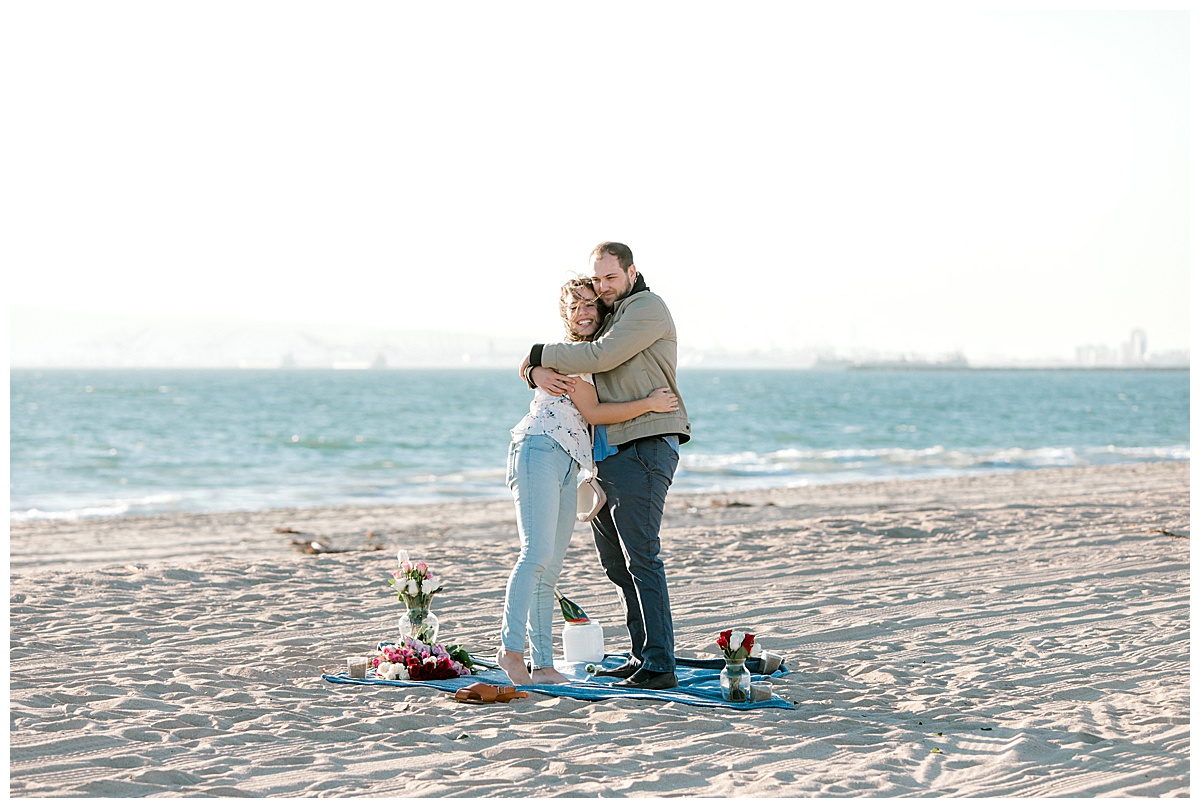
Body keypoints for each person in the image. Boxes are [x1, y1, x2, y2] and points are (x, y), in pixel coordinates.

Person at [521, 242, 690, 690]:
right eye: (597, 280)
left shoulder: (646, 308)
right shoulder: (609, 316)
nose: (602, 287)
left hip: (646, 444)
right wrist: (532, 369)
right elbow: (580, 353)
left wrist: (536, 353)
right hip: (607, 454)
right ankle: (642, 655)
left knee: (642, 558)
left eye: (610, 278)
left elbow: (599, 359)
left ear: (632, 272)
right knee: (617, 564)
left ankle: (660, 664)